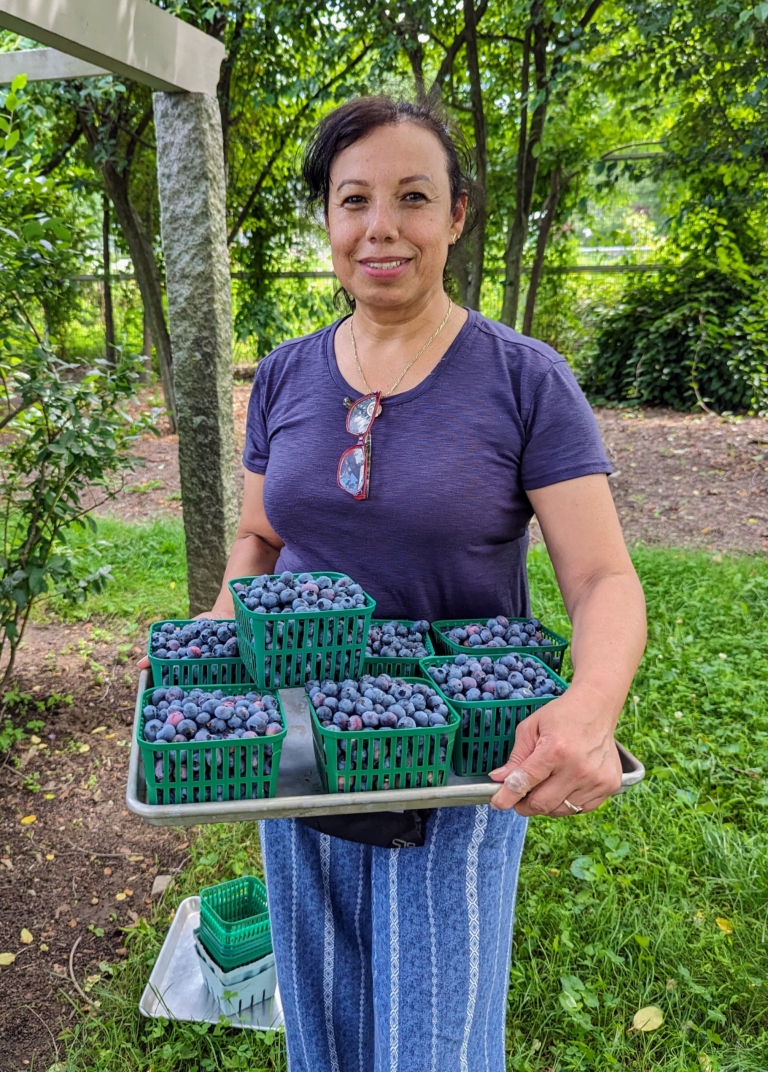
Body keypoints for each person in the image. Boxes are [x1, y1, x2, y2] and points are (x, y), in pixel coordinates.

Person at [172, 96, 646, 1070]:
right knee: (326, 1030)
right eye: (354, 200)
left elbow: (601, 577)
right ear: (330, 220)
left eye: (412, 197)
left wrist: (592, 705)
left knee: (432, 1045)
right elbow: (259, 538)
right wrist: (218, 639)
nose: (380, 226)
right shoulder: (287, 377)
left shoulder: (525, 380)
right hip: (299, 757)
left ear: (457, 214)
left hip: (453, 769)